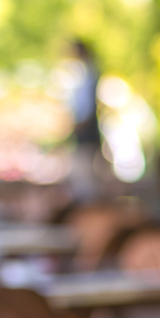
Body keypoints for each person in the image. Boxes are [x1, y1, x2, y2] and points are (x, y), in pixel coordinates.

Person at [66, 36, 104, 200]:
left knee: (85, 169)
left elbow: (87, 105)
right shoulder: (84, 73)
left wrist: (81, 124)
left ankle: (88, 201)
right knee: (84, 169)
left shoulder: (89, 74)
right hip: (85, 127)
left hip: (87, 129)